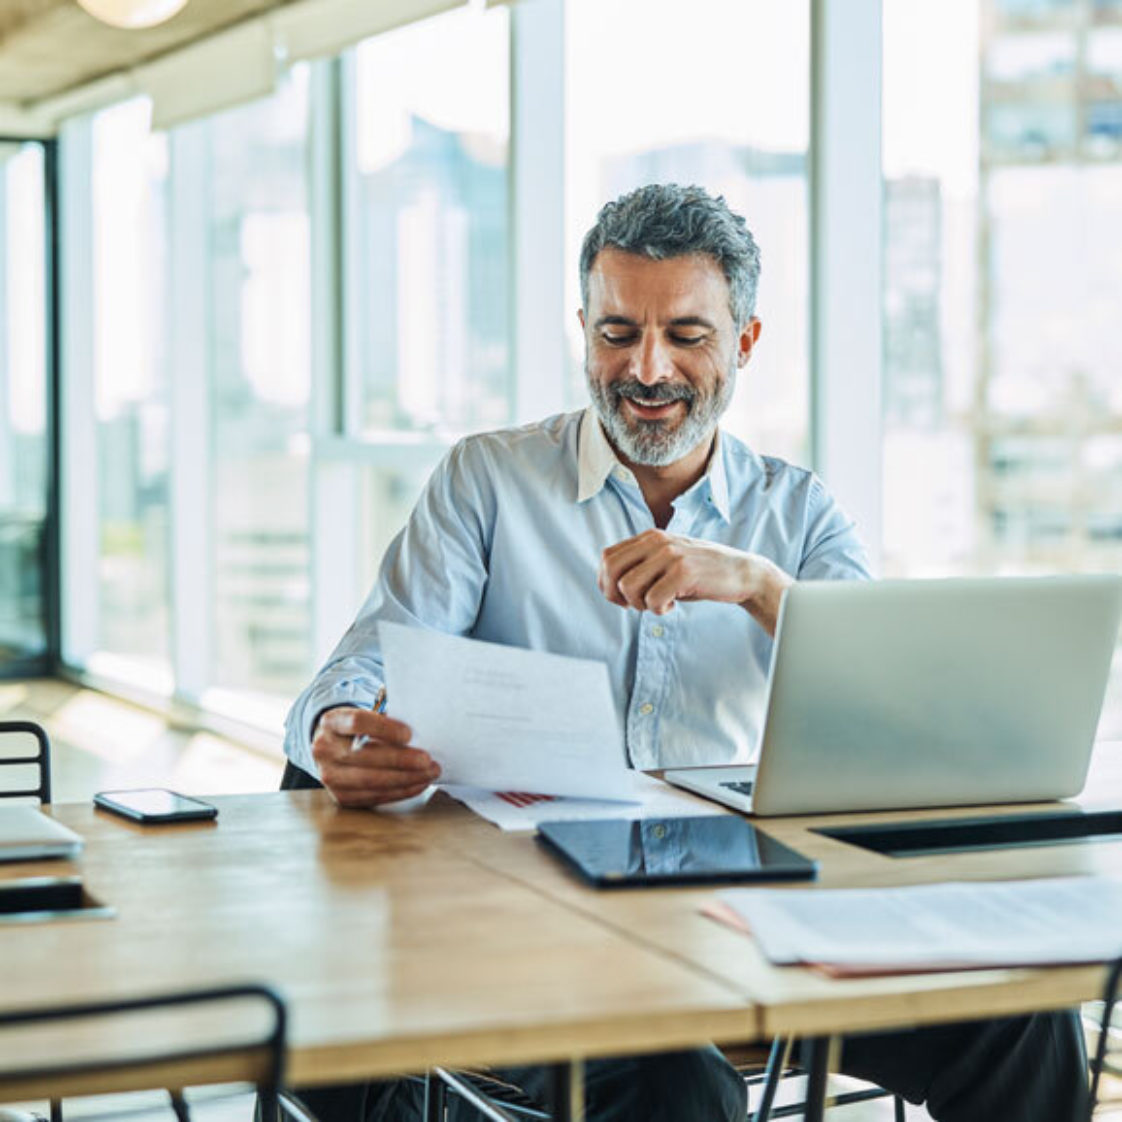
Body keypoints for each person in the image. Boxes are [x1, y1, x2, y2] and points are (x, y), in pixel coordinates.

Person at [283, 184, 1088, 1121]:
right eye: (618, 333)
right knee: (674, 1079)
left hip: (748, 907)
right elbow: (359, 667)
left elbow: (899, 706)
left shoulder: (798, 512)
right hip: (529, 912)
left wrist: (756, 586)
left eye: (688, 336)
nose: (647, 368)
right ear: (583, 330)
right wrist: (339, 727)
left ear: (744, 342)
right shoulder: (489, 481)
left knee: (1027, 1019)